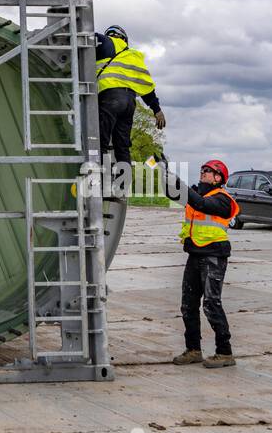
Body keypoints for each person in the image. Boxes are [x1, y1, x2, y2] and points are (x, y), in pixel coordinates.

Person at [168, 158, 239, 369]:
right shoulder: (197, 192)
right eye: (202, 170)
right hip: (195, 254)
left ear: (219, 178)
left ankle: (225, 352)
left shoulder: (223, 200)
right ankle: (193, 350)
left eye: (208, 171)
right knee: (188, 305)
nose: (203, 173)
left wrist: (177, 180)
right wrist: (163, 173)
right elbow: (174, 194)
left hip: (214, 256)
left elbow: (200, 203)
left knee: (211, 303)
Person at [95, 25, 166, 165]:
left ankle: (98, 176)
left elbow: (88, 36)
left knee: (100, 141)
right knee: (122, 146)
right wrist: (157, 110)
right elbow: (146, 86)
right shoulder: (134, 56)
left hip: (111, 99)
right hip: (129, 103)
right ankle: (124, 183)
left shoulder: (108, 41)